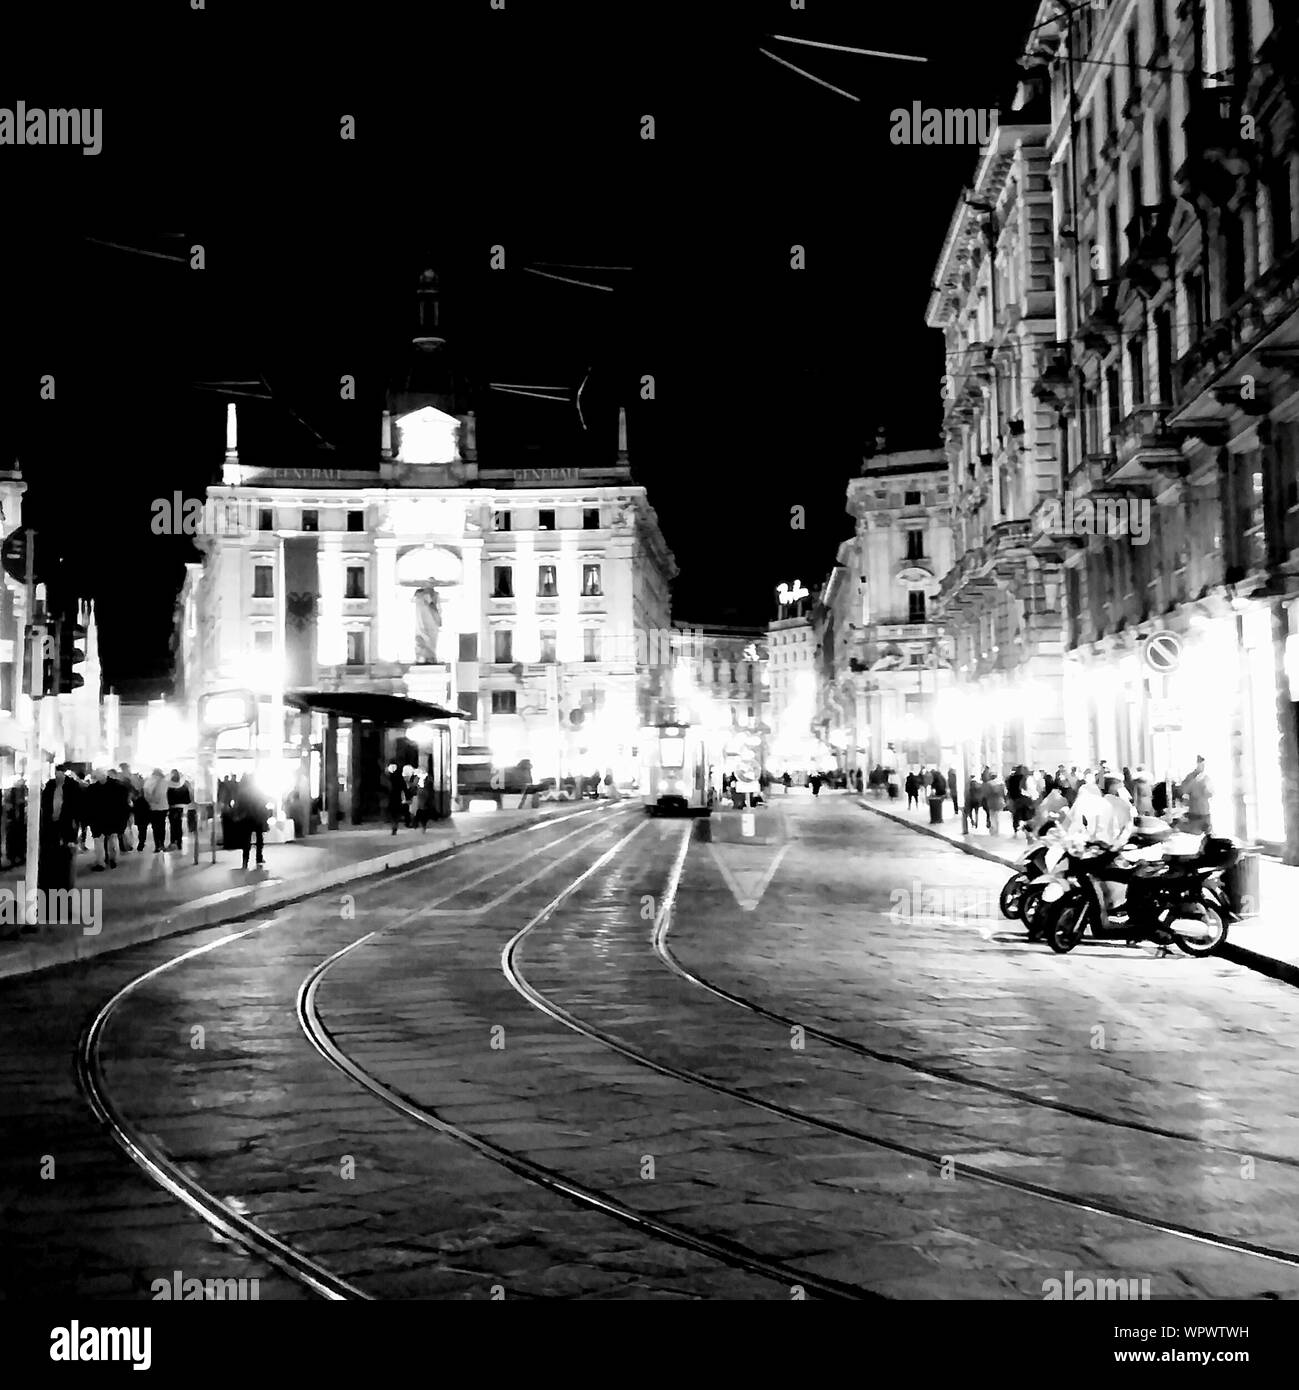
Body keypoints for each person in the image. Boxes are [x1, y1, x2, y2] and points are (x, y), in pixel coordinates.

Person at [233, 771, 269, 869]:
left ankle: (245, 860)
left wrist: (237, 815)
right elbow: (264, 801)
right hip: (257, 817)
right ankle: (259, 857)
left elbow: (238, 805)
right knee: (259, 838)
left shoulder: (242, 792)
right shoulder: (257, 790)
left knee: (246, 840)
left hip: (246, 817)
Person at [1179, 755, 1213, 833]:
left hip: (1205, 813)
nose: (1202, 766)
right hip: (1194, 814)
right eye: (1200, 764)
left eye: (1203, 764)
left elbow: (1210, 793)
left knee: (1208, 836)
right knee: (1195, 835)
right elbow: (1183, 791)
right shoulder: (1191, 777)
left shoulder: (1206, 778)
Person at [142, 767, 170, 852]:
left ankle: (157, 845)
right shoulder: (165, 781)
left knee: (155, 827)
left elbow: (146, 793)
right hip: (163, 807)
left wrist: (151, 801)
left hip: (153, 807)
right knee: (162, 826)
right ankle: (162, 844)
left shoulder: (149, 781)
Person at [166, 769, 191, 850]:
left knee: (173, 826)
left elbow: (168, 799)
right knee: (179, 825)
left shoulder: (169, 788)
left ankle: (173, 842)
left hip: (172, 808)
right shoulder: (184, 786)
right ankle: (179, 843)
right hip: (181, 808)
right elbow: (188, 800)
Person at [387, 762, 407, 834]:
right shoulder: (400, 777)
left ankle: (393, 826)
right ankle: (395, 825)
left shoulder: (389, 777)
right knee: (397, 812)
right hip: (397, 796)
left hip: (391, 796)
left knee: (392, 812)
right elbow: (404, 787)